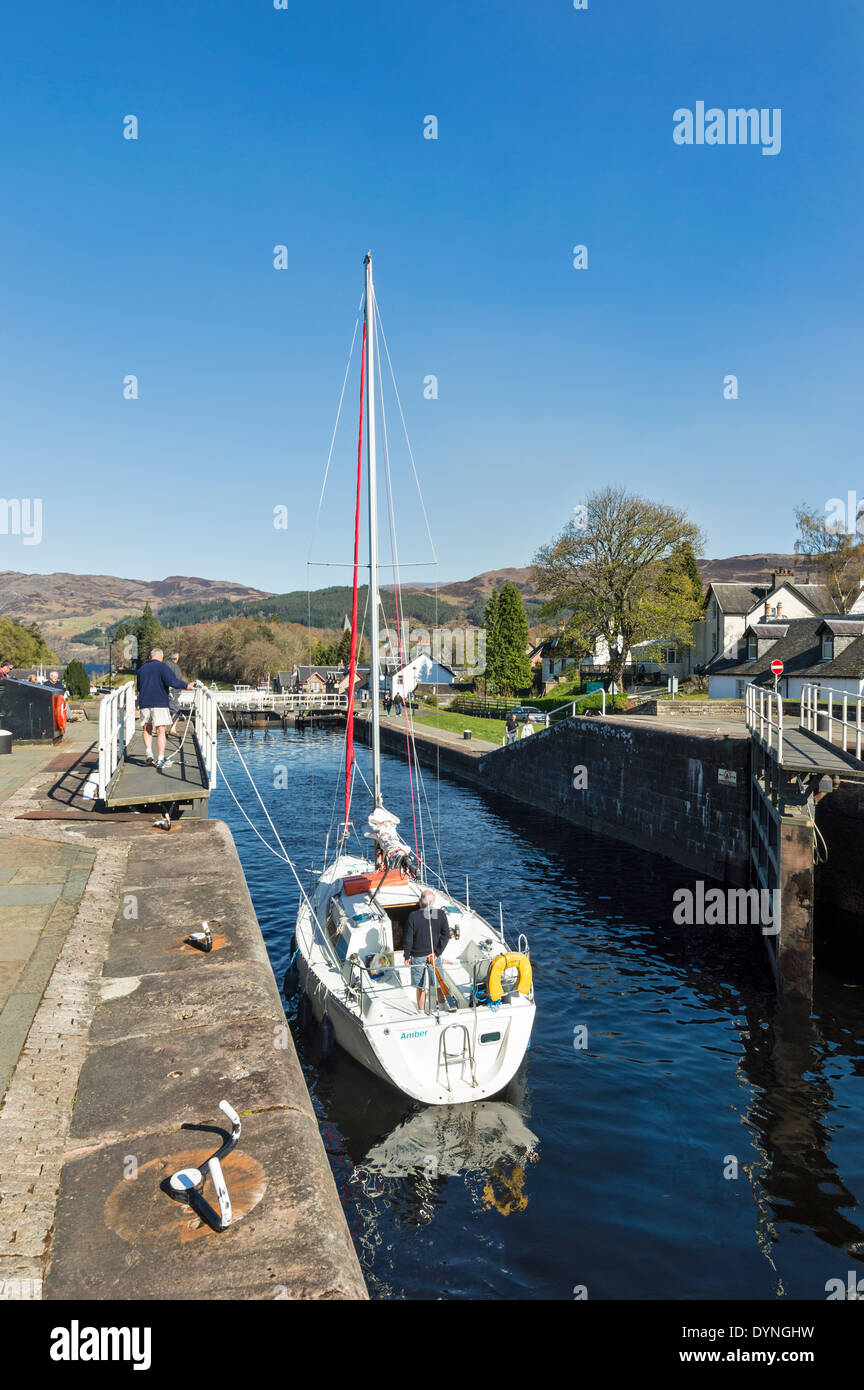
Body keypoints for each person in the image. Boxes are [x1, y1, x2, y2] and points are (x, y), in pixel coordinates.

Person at [136, 647, 194, 771]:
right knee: (160, 730)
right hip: (160, 703)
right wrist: (186, 685)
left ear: (151, 657)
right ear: (161, 657)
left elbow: (139, 687)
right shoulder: (163, 667)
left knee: (147, 727)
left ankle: (148, 754)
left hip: (145, 703)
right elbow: (172, 681)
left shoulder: (141, 669)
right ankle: (161, 758)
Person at [403, 889, 451, 1013]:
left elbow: (408, 938)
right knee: (439, 983)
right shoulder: (439, 914)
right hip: (434, 956)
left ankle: (421, 1012)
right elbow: (446, 935)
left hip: (418, 955)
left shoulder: (413, 916)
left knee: (421, 987)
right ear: (433, 902)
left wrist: (406, 956)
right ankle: (442, 1008)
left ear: (420, 902)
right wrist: (437, 953)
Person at [163, 650, 186, 735]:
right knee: (176, 710)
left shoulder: (164, 665)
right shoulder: (176, 668)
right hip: (172, 692)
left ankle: (163, 729)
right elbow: (177, 681)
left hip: (163, 692)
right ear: (177, 658)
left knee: (164, 710)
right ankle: (172, 728)